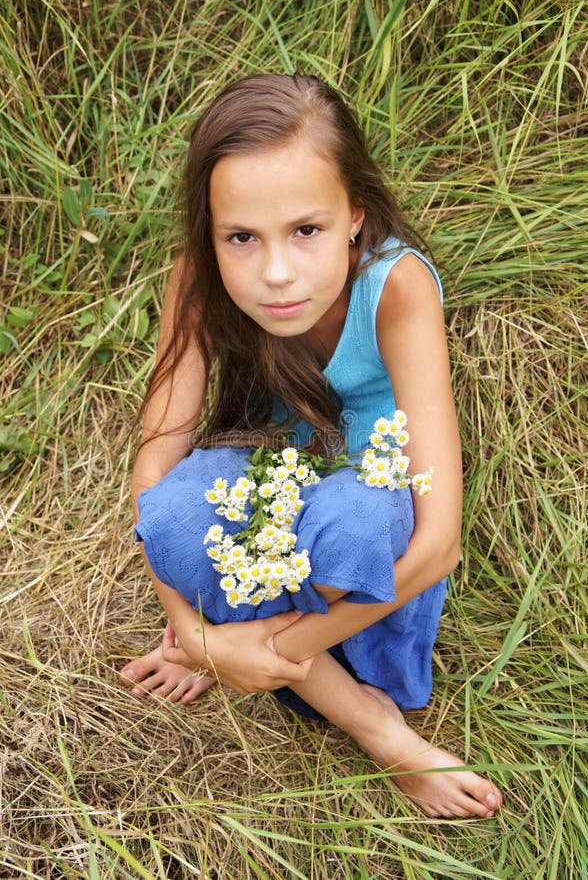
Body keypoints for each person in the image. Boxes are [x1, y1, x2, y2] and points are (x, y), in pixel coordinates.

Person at [120, 74, 503, 819]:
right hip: (274, 467)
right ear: (210, 234)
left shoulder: (397, 287)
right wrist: (199, 635)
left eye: (306, 230)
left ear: (355, 215)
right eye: (241, 238)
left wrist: (241, 644)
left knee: (348, 525)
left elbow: (438, 544)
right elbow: (154, 466)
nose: (277, 273)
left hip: (366, 494)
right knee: (172, 517)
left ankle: (375, 727)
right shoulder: (198, 278)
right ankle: (360, 718)